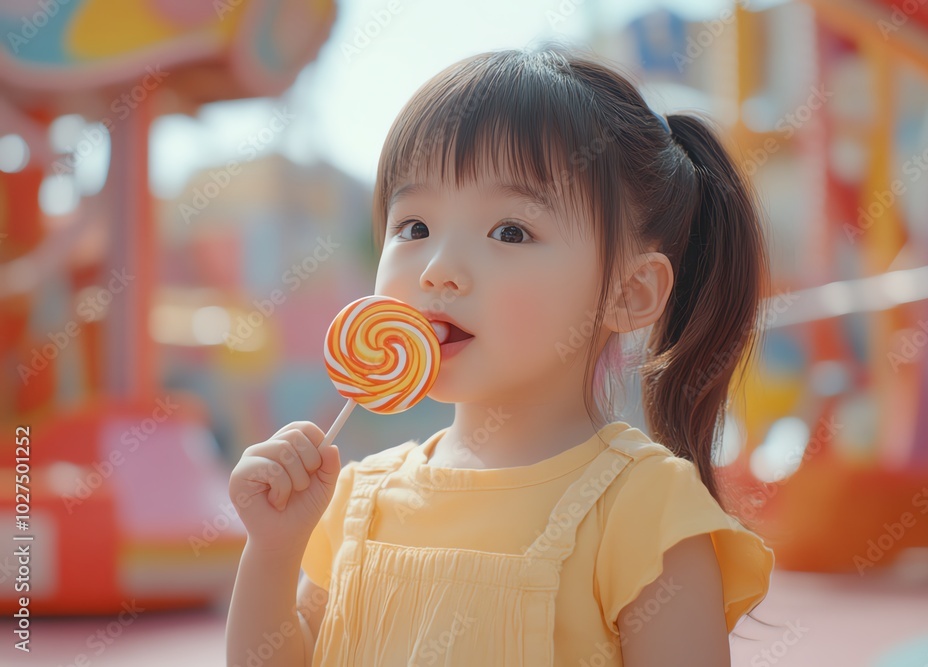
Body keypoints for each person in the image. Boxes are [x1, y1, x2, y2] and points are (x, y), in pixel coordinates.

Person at [227, 44, 774, 666]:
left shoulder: (643, 510)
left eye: (509, 231)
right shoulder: (354, 501)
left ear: (629, 292)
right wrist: (271, 552)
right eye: (415, 227)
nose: (438, 269)